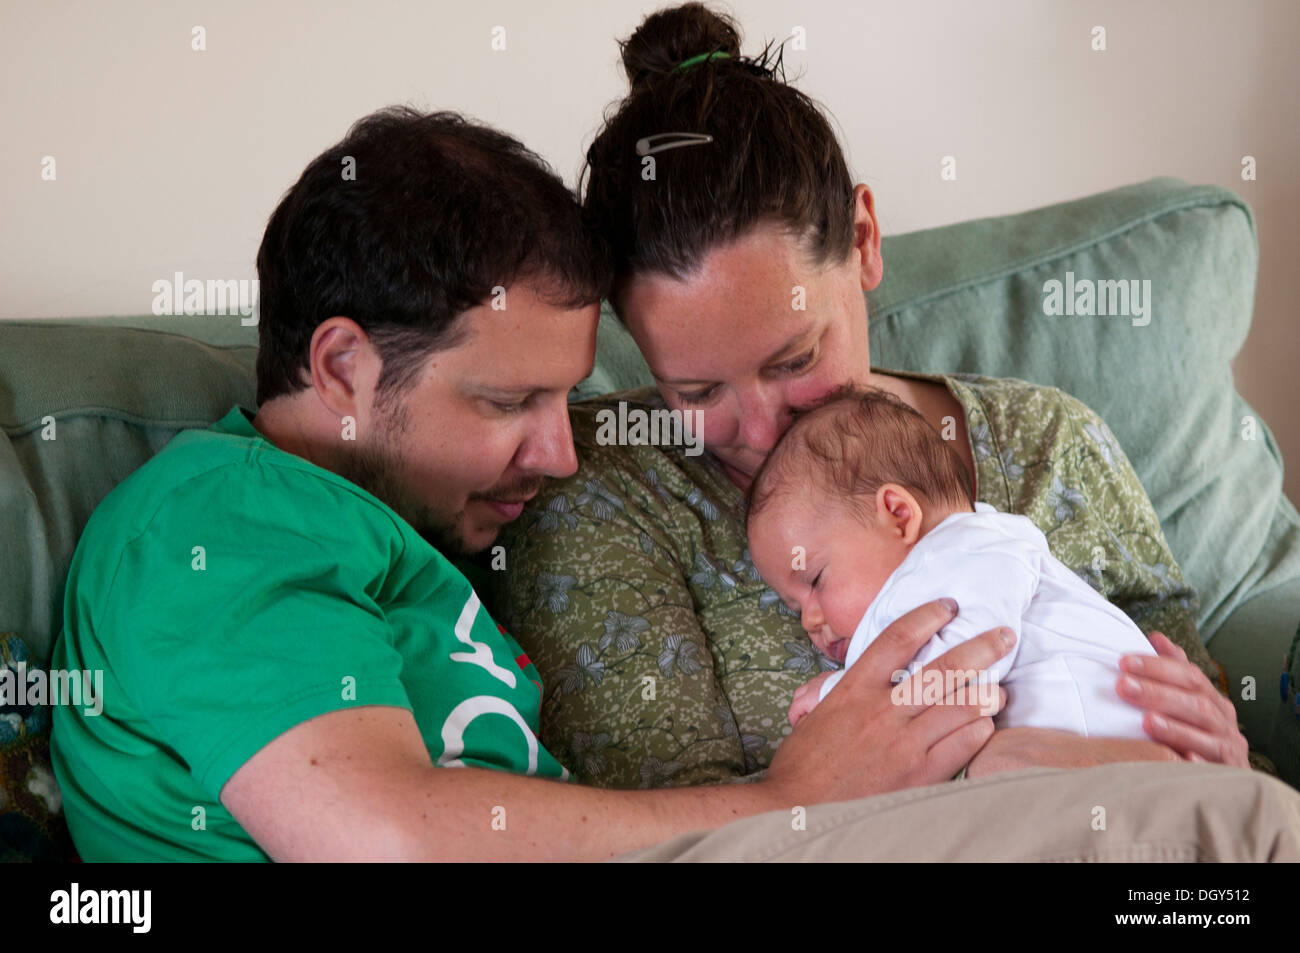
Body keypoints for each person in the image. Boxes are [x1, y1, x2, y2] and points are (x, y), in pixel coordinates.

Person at [47, 38, 1297, 864]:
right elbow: (399, 839)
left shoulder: (386, 543)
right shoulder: (219, 519)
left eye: (571, 394)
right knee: (1234, 845)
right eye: (510, 403)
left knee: (1225, 836)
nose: (565, 450)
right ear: (341, 369)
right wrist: (784, 797)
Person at [491, 2, 1265, 794]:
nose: (759, 430)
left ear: (863, 240)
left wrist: (1224, 757)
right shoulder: (602, 500)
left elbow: (1208, 739)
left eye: (795, 357)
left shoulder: (1049, 444)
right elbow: (677, 835)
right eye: (697, 389)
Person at [744, 386, 1158, 739]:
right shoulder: (935, 570)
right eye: (794, 608)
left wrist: (843, 696)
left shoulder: (966, 550)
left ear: (899, 516)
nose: (809, 621)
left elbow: (973, 657)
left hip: (1113, 733)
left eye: (815, 581)